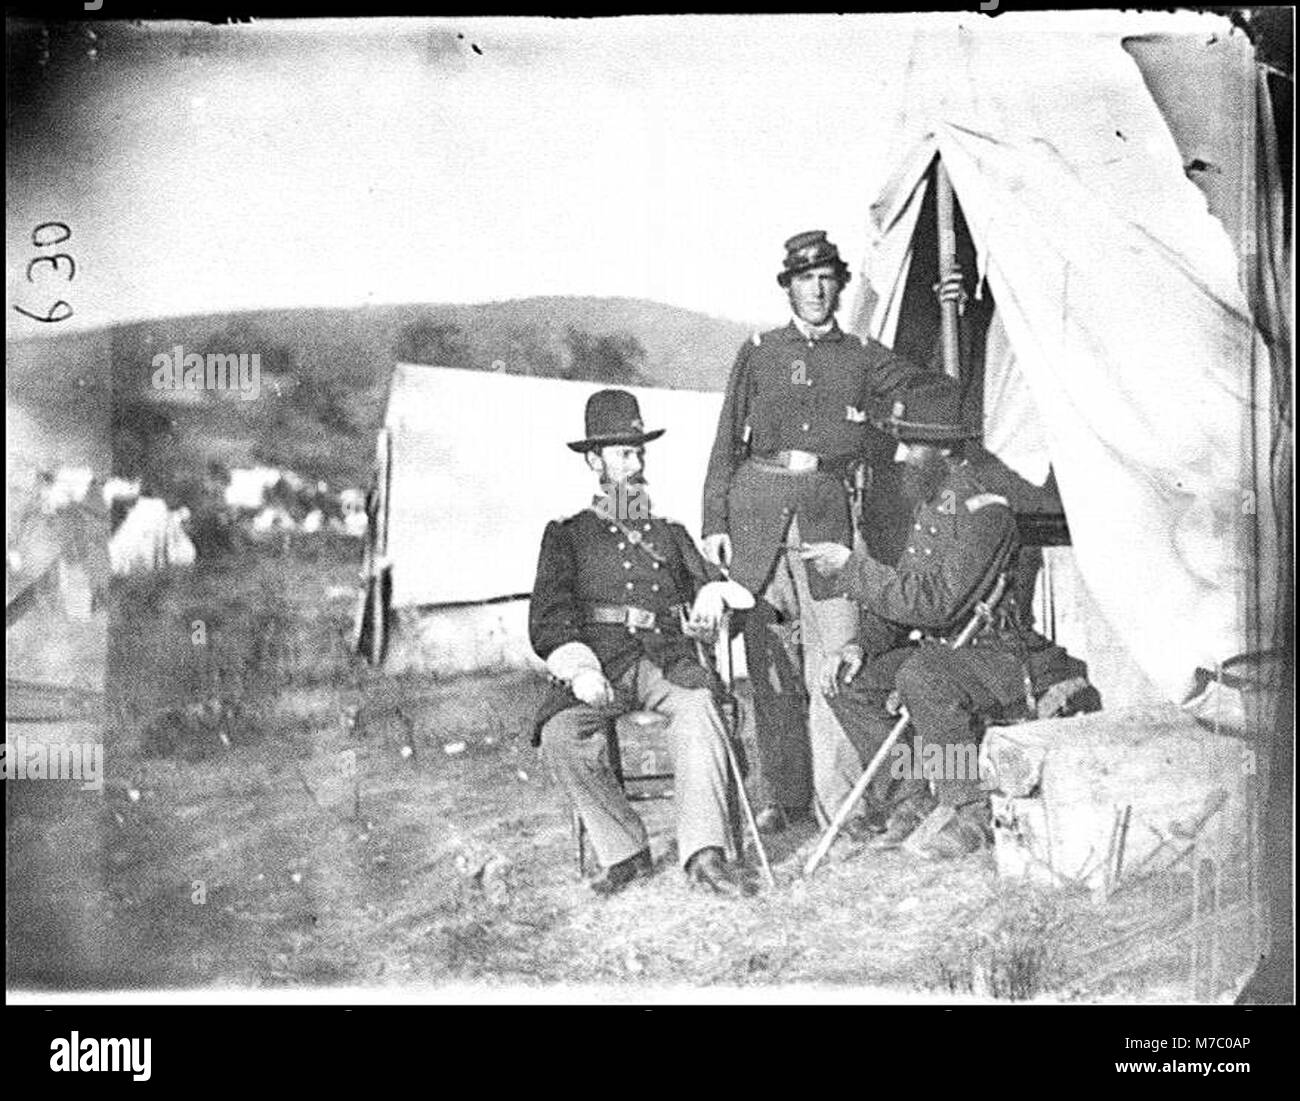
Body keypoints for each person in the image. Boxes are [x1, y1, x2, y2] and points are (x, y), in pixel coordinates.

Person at [803, 376, 1093, 859]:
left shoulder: (984, 511)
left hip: (999, 654)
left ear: (945, 451)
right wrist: (861, 646)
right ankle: (910, 799)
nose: (898, 458)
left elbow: (935, 603)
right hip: (951, 650)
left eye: (910, 445)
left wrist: (853, 569)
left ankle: (970, 808)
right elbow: (906, 597)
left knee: (925, 677)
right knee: (852, 682)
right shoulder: (935, 506)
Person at [700, 230, 924, 831]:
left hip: (827, 518)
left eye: (827, 277)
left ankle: (841, 804)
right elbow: (727, 439)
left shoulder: (862, 355)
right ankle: (786, 797)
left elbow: (924, 393)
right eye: (805, 279)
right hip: (756, 520)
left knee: (833, 661)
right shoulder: (759, 351)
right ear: (789, 287)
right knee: (770, 670)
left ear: (841, 284)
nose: (817, 289)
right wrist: (714, 521)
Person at [530, 389, 757, 898]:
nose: (635, 464)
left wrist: (715, 597)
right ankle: (625, 851)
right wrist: (580, 669)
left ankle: (704, 855)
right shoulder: (568, 535)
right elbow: (548, 619)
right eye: (622, 453)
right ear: (594, 461)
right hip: (599, 666)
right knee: (561, 735)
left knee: (701, 709)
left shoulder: (670, 534)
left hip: (665, 663)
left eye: (639, 452)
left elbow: (715, 607)